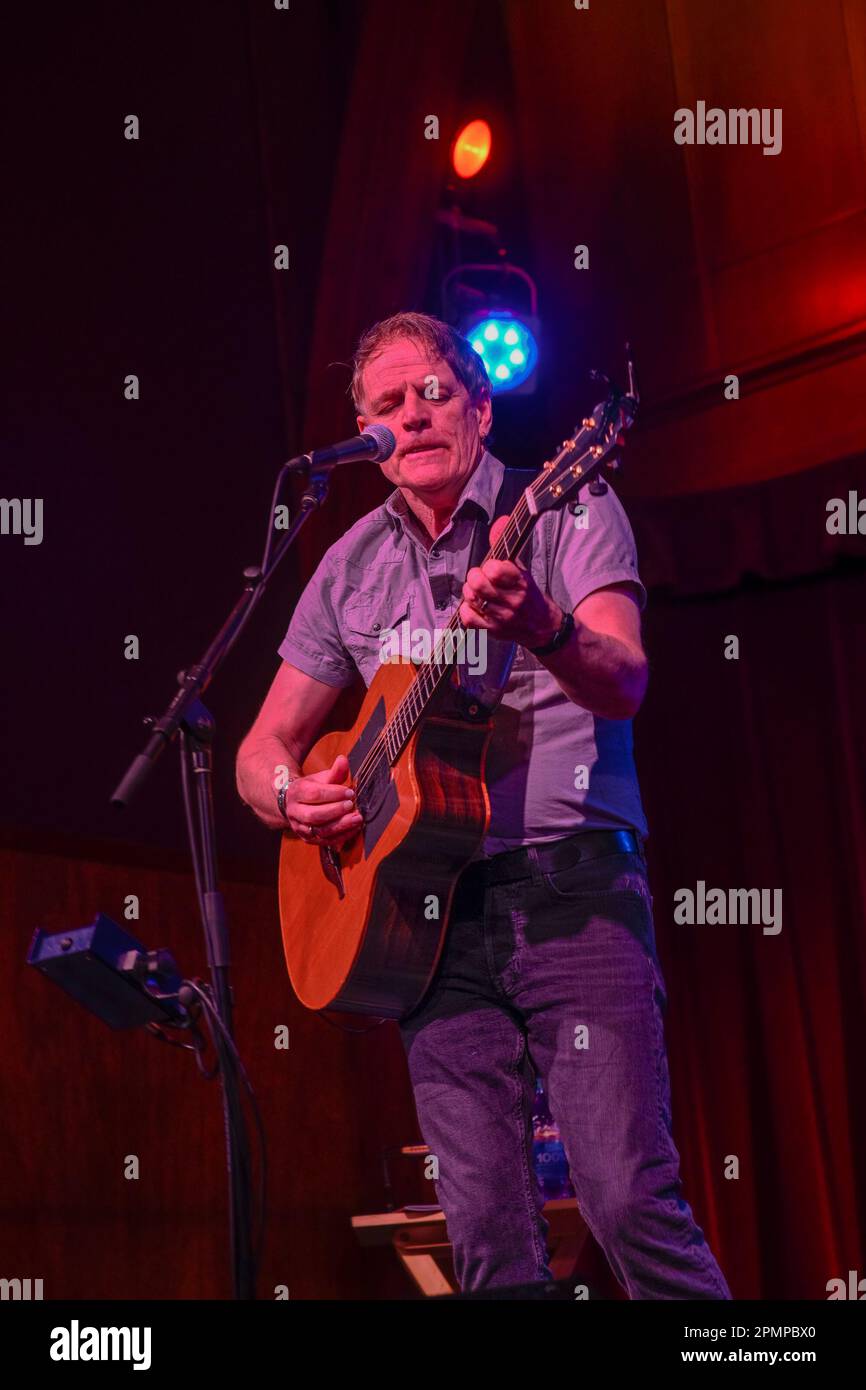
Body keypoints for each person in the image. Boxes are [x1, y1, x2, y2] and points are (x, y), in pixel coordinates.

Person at [236, 311, 731, 1299]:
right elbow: (259, 752)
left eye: (431, 393)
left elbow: (625, 678)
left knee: (625, 1198)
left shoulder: (565, 505)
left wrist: (541, 625)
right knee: (488, 1242)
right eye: (384, 407)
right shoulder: (349, 566)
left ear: (479, 404)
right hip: (422, 923)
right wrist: (297, 796)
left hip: (571, 891)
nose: (409, 418)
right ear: (366, 442)